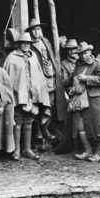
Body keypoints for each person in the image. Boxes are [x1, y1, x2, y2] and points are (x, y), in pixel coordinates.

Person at [3, 32, 51, 161]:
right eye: (23, 43)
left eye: (28, 43)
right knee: (18, 120)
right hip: (18, 95)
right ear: (18, 44)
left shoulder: (33, 56)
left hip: (32, 94)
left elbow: (39, 75)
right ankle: (17, 150)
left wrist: (39, 92)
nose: (26, 45)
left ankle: (27, 149)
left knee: (29, 120)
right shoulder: (12, 57)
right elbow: (7, 78)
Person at [65, 42, 100, 162]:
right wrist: (60, 83)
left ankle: (98, 153)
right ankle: (88, 151)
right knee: (81, 126)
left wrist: (87, 79)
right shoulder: (78, 65)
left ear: (90, 52)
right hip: (82, 100)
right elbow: (72, 79)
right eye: (81, 54)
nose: (83, 56)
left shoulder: (98, 64)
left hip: (97, 100)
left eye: (85, 53)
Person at [26, 18, 68, 147]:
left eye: (38, 29)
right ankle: (39, 131)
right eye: (34, 29)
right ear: (30, 32)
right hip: (36, 78)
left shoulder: (45, 41)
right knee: (39, 104)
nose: (36, 32)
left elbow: (51, 57)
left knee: (50, 103)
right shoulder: (28, 44)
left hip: (49, 77)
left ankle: (46, 130)